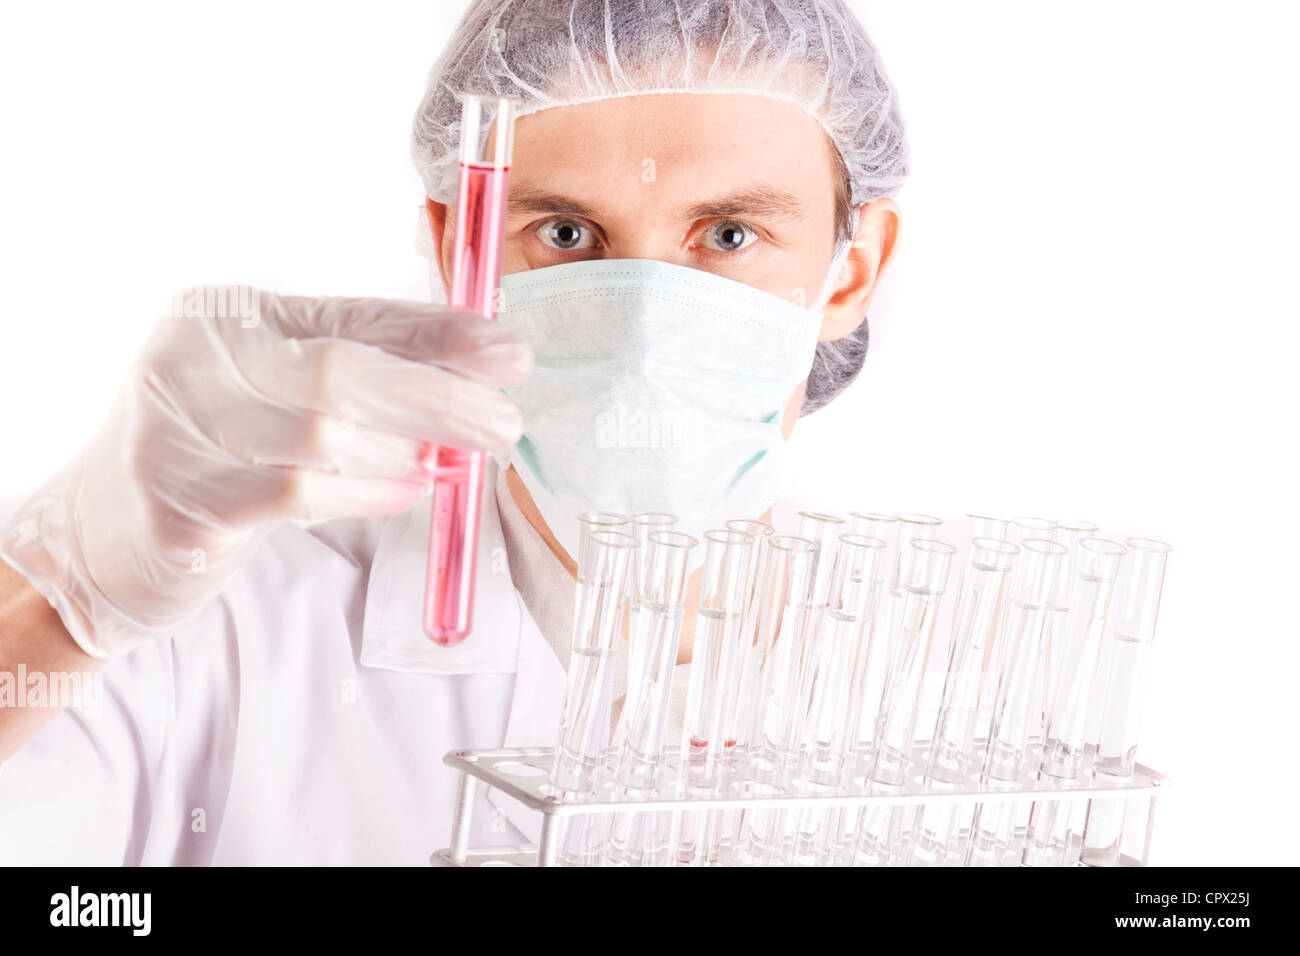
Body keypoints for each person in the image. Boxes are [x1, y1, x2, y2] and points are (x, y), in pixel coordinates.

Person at [0, 0, 906, 864]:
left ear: (851, 272)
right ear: (458, 250)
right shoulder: (212, 634)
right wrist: (61, 601)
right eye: (565, 232)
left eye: (732, 235)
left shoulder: (948, 677)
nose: (642, 335)